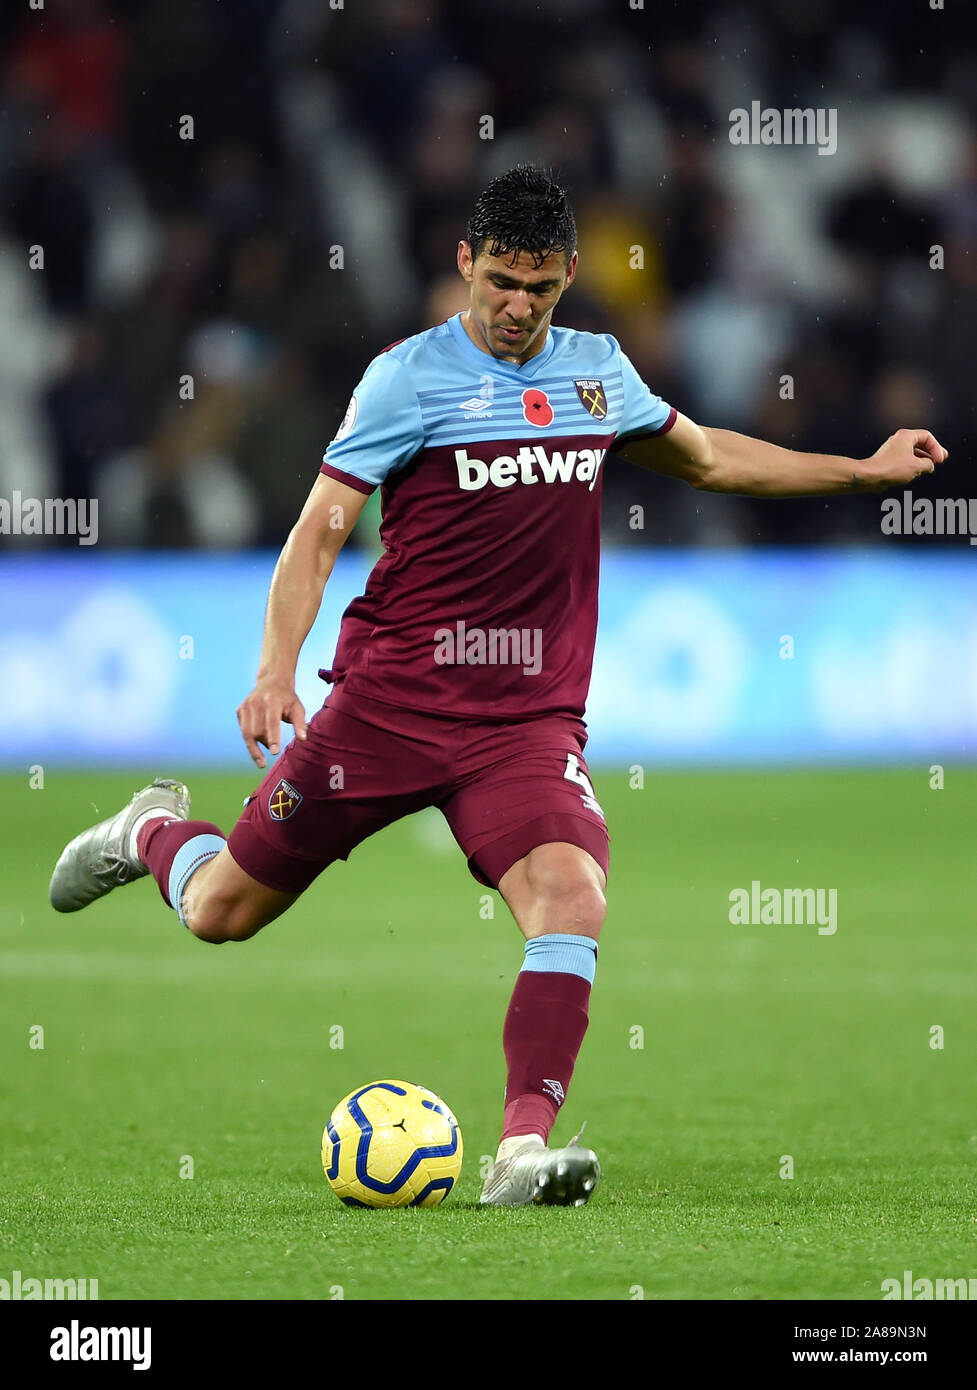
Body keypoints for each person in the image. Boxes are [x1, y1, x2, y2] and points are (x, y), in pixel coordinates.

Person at [49, 165, 947, 1207]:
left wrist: (861, 467)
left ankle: (519, 1150)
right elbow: (317, 533)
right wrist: (271, 670)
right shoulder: (405, 380)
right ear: (465, 263)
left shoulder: (598, 374)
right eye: (501, 284)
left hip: (525, 721)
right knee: (219, 912)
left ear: (568, 274)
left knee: (572, 894)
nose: (517, 308)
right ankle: (148, 830)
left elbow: (708, 461)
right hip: (386, 708)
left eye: (540, 288)